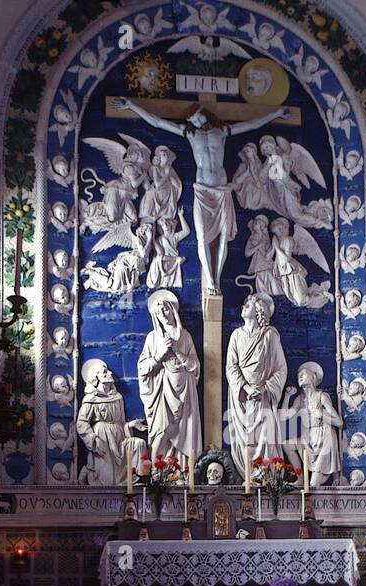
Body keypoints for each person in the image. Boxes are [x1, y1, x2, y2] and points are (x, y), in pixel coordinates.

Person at [114, 98, 291, 295]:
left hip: (222, 190)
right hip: (202, 191)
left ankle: (217, 278)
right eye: (191, 119)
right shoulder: (191, 134)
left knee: (224, 236)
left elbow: (251, 125)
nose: (195, 122)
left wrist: (276, 114)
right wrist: (132, 106)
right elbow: (158, 122)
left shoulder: (222, 132)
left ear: (203, 113)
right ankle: (211, 281)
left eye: (196, 117)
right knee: (202, 238)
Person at [225, 292, 287, 476]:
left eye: (248, 304)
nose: (243, 306)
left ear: (259, 310)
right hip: (243, 396)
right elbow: (231, 366)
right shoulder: (236, 335)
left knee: (265, 437)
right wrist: (245, 387)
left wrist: (265, 388)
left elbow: (280, 368)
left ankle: (267, 478)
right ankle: (248, 476)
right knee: (245, 441)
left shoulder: (269, 335)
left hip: (263, 395)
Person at [137, 290, 202, 461]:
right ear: (155, 317)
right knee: (161, 429)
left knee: (183, 428)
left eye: (165, 309)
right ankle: (155, 471)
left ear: (172, 310)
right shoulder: (152, 338)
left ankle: (180, 469)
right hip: (162, 390)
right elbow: (143, 368)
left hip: (185, 390)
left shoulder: (185, 336)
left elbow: (195, 366)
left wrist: (178, 353)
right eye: (158, 312)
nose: (162, 314)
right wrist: (160, 355)